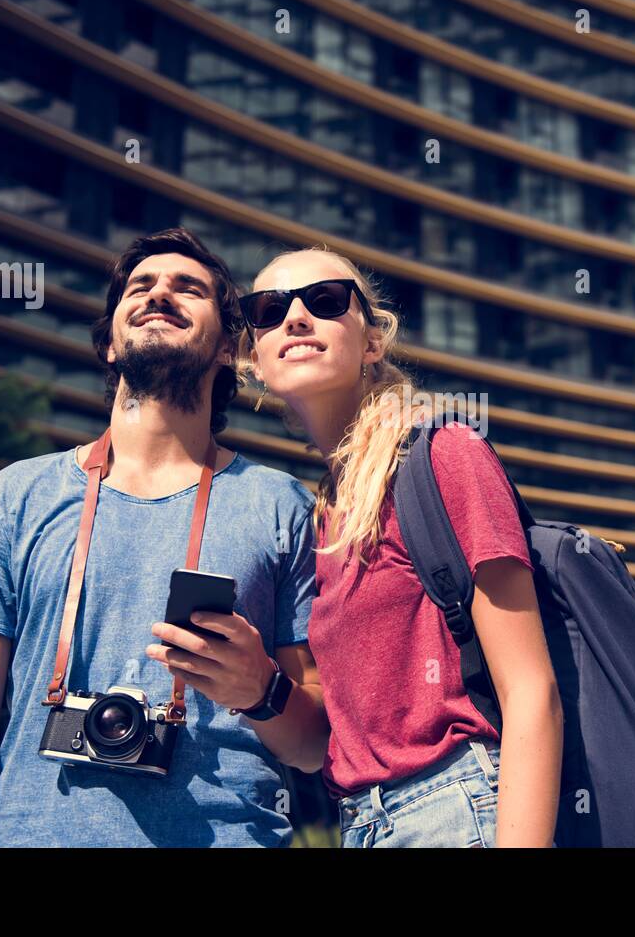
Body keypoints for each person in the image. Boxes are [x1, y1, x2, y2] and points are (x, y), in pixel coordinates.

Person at [0, 228, 328, 847]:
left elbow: (316, 746)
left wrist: (262, 688)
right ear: (111, 343)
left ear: (228, 349)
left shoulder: (285, 507)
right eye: (140, 287)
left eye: (188, 289)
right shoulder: (11, 498)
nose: (160, 293)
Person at [238, 245, 563, 847]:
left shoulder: (442, 454)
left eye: (326, 300)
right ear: (254, 357)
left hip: (458, 806)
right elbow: (321, 746)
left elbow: (530, 691)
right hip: (365, 821)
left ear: (372, 342)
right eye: (269, 309)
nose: (296, 317)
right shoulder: (323, 515)